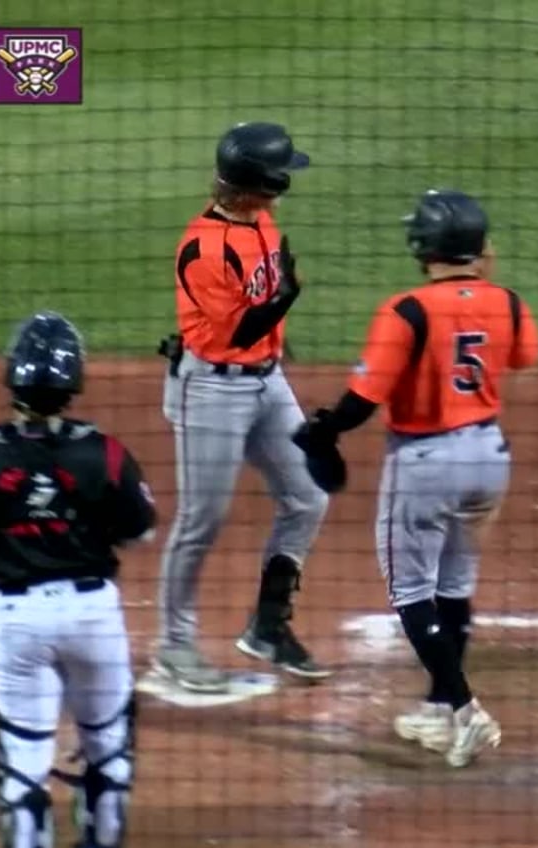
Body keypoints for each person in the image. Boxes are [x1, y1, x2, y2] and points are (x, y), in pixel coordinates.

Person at [294, 189, 538, 768]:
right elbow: (523, 358)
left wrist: (322, 430)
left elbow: (363, 398)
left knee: (410, 593)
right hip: (488, 458)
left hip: (427, 466)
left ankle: (462, 706)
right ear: (479, 247)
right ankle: (437, 707)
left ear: (421, 246)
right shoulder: (507, 302)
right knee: (454, 583)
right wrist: (487, 287)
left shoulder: (405, 310)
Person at [0, 312, 156, 848]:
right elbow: (139, 528)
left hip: (16, 619)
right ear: (73, 379)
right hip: (93, 616)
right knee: (108, 747)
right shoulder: (104, 452)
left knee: (22, 763)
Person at [150, 120, 332, 693]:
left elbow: (263, 309)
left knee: (308, 495)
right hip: (212, 388)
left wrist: (278, 335)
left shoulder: (262, 221)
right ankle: (173, 645)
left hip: (267, 381)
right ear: (262, 182)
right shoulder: (203, 248)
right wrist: (287, 300)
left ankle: (269, 625)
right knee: (202, 521)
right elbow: (234, 332)